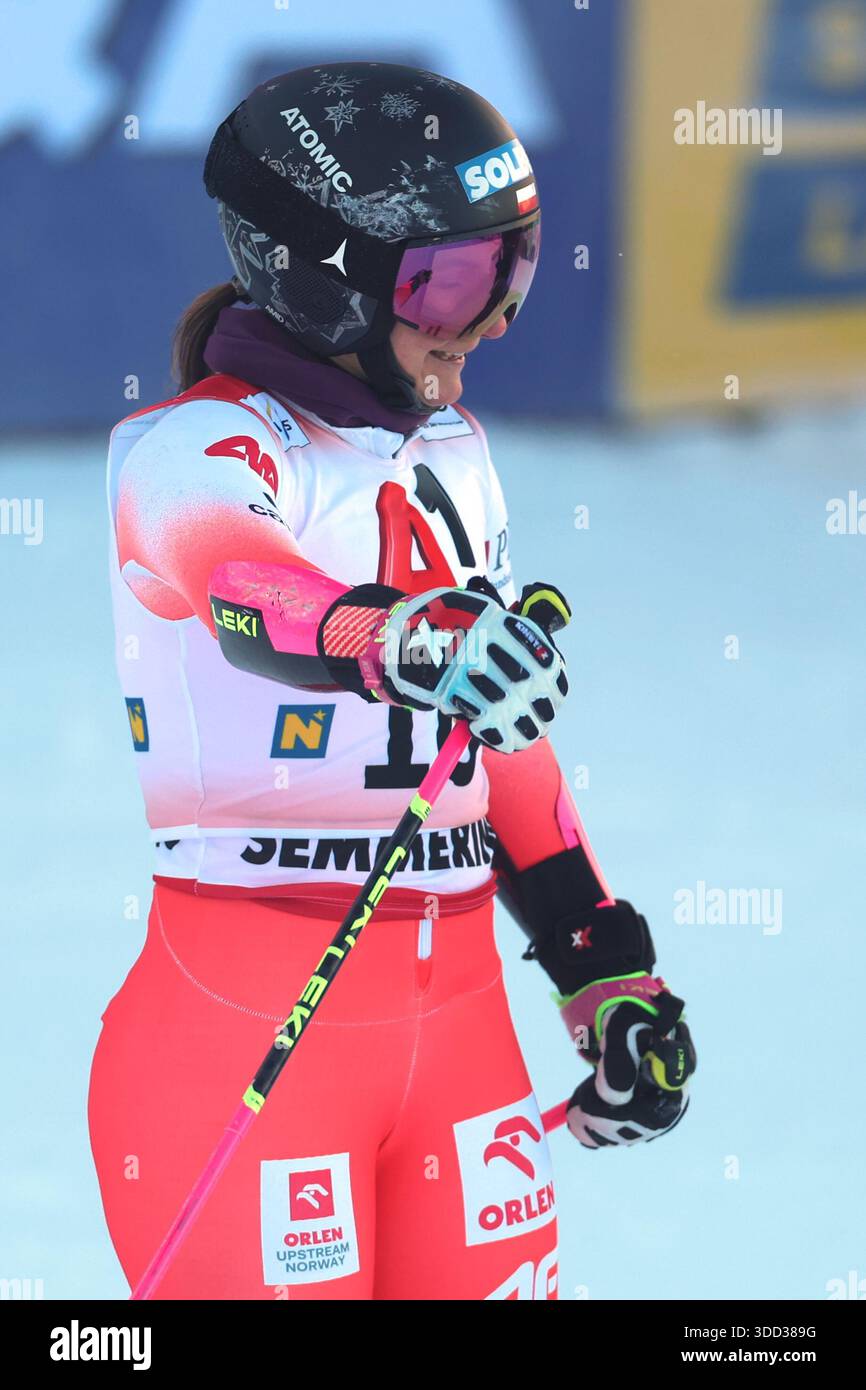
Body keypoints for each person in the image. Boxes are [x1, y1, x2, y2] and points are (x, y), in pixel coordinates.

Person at [88, 61, 695, 1302]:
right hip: (242, 1037)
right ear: (320, 275)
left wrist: (600, 966)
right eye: (449, 280)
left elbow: (496, 741)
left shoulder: (453, 459)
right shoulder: (190, 449)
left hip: (460, 1026)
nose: (483, 322)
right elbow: (244, 585)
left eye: (507, 275)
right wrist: (405, 638)